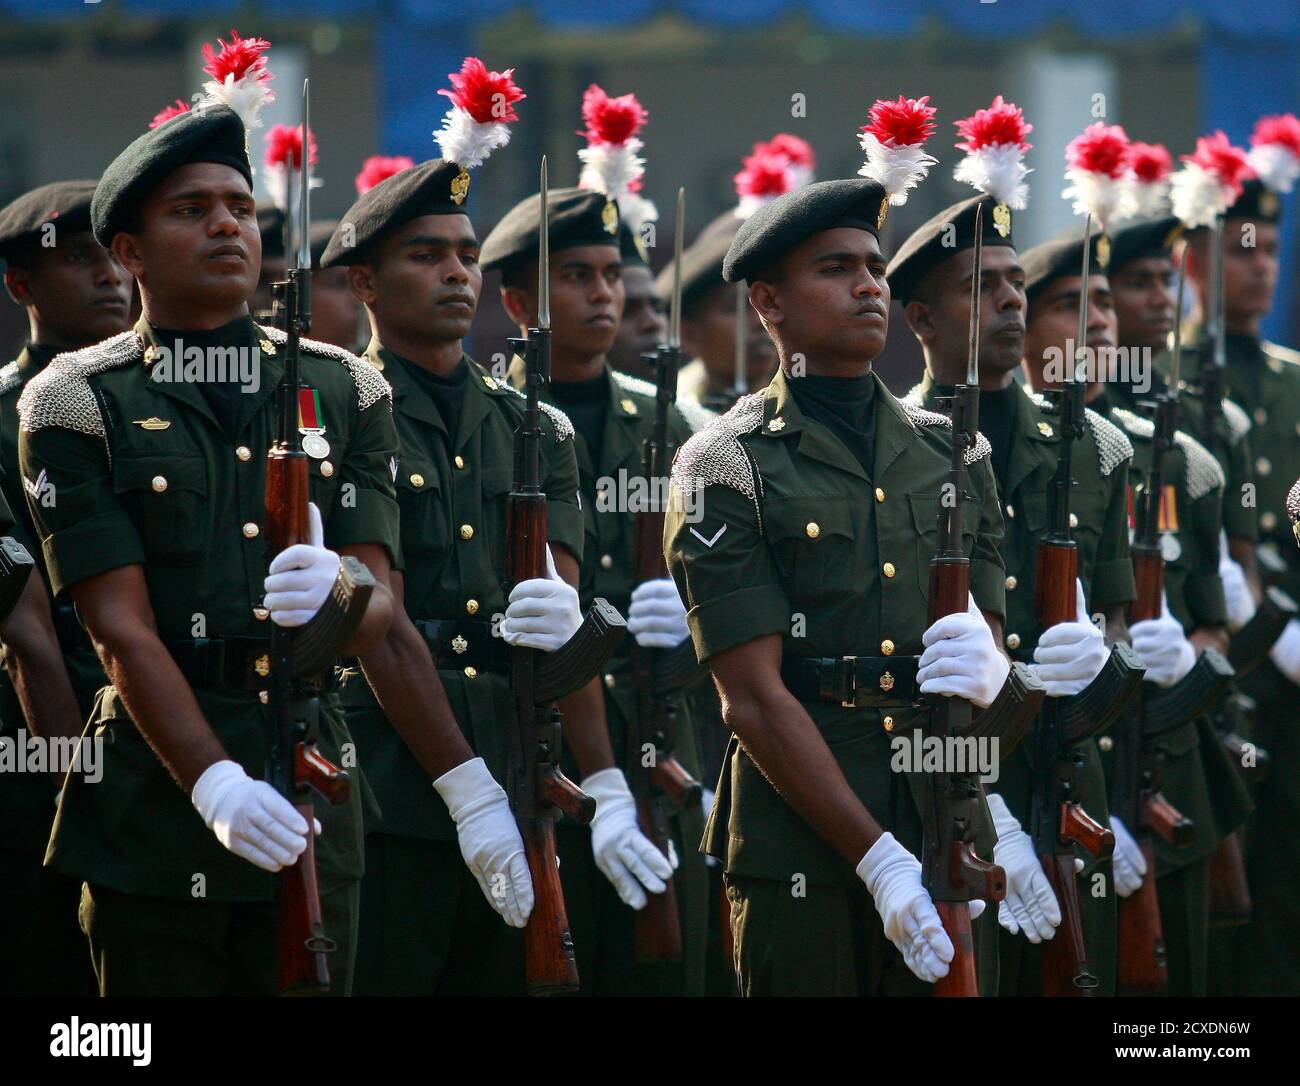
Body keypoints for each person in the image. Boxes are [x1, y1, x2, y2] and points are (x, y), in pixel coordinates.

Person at [18, 104, 400, 996]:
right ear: (130, 253)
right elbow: (118, 631)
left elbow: (382, 606)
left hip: (312, 771)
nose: (227, 222)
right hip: (157, 800)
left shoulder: (346, 387)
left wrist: (338, 587)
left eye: (237, 204)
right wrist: (215, 783)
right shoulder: (75, 401)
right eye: (190, 209)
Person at [664, 176, 1014, 996]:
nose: (867, 286)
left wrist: (994, 667)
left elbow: (990, 640)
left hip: (945, 814)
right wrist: (876, 858)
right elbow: (750, 698)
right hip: (802, 846)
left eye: (875, 268)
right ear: (768, 304)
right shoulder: (725, 463)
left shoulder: (955, 454)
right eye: (835, 268)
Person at [319, 151, 600, 995]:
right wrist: (463, 789)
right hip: (388, 780)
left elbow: (564, 600)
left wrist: (568, 617)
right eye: (426, 255)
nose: (455, 273)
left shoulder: (537, 426)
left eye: (468, 256)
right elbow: (379, 622)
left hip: (518, 758)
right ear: (364, 282)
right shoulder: (334, 410)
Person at [893, 204, 1135, 996]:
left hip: (1068, 769)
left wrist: (1106, 659)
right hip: (950, 780)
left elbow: (1120, 628)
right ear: (921, 317)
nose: (1009, 301)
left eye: (1015, 282)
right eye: (978, 285)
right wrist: (989, 805)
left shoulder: (1098, 448)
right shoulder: (897, 447)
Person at [484, 186, 711, 995]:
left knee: (663, 966)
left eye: (612, 274)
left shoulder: (674, 427)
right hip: (528, 738)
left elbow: (726, 587)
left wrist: (688, 627)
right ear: (516, 300)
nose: (604, 294)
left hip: (655, 732)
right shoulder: (493, 418)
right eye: (576, 275)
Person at [1103, 214, 1255, 995]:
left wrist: (1195, 646)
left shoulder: (1178, 445)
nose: (1159, 298)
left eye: (1167, 279)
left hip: (1176, 756)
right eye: (1135, 284)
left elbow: (1222, 602)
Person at [0, 179, 132, 995]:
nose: (109, 276)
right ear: (21, 286)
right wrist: (75, 803)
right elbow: (27, 641)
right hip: (45, 760)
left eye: (115, 255)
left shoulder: (160, 399)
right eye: (80, 259)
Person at [1184, 177, 1300, 996]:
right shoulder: (1162, 375)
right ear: (1194, 260)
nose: (1262, 271)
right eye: (1242, 251)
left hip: (1296, 668)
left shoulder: (1294, 378)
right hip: (1214, 659)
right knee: (1223, 881)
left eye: (1272, 251)